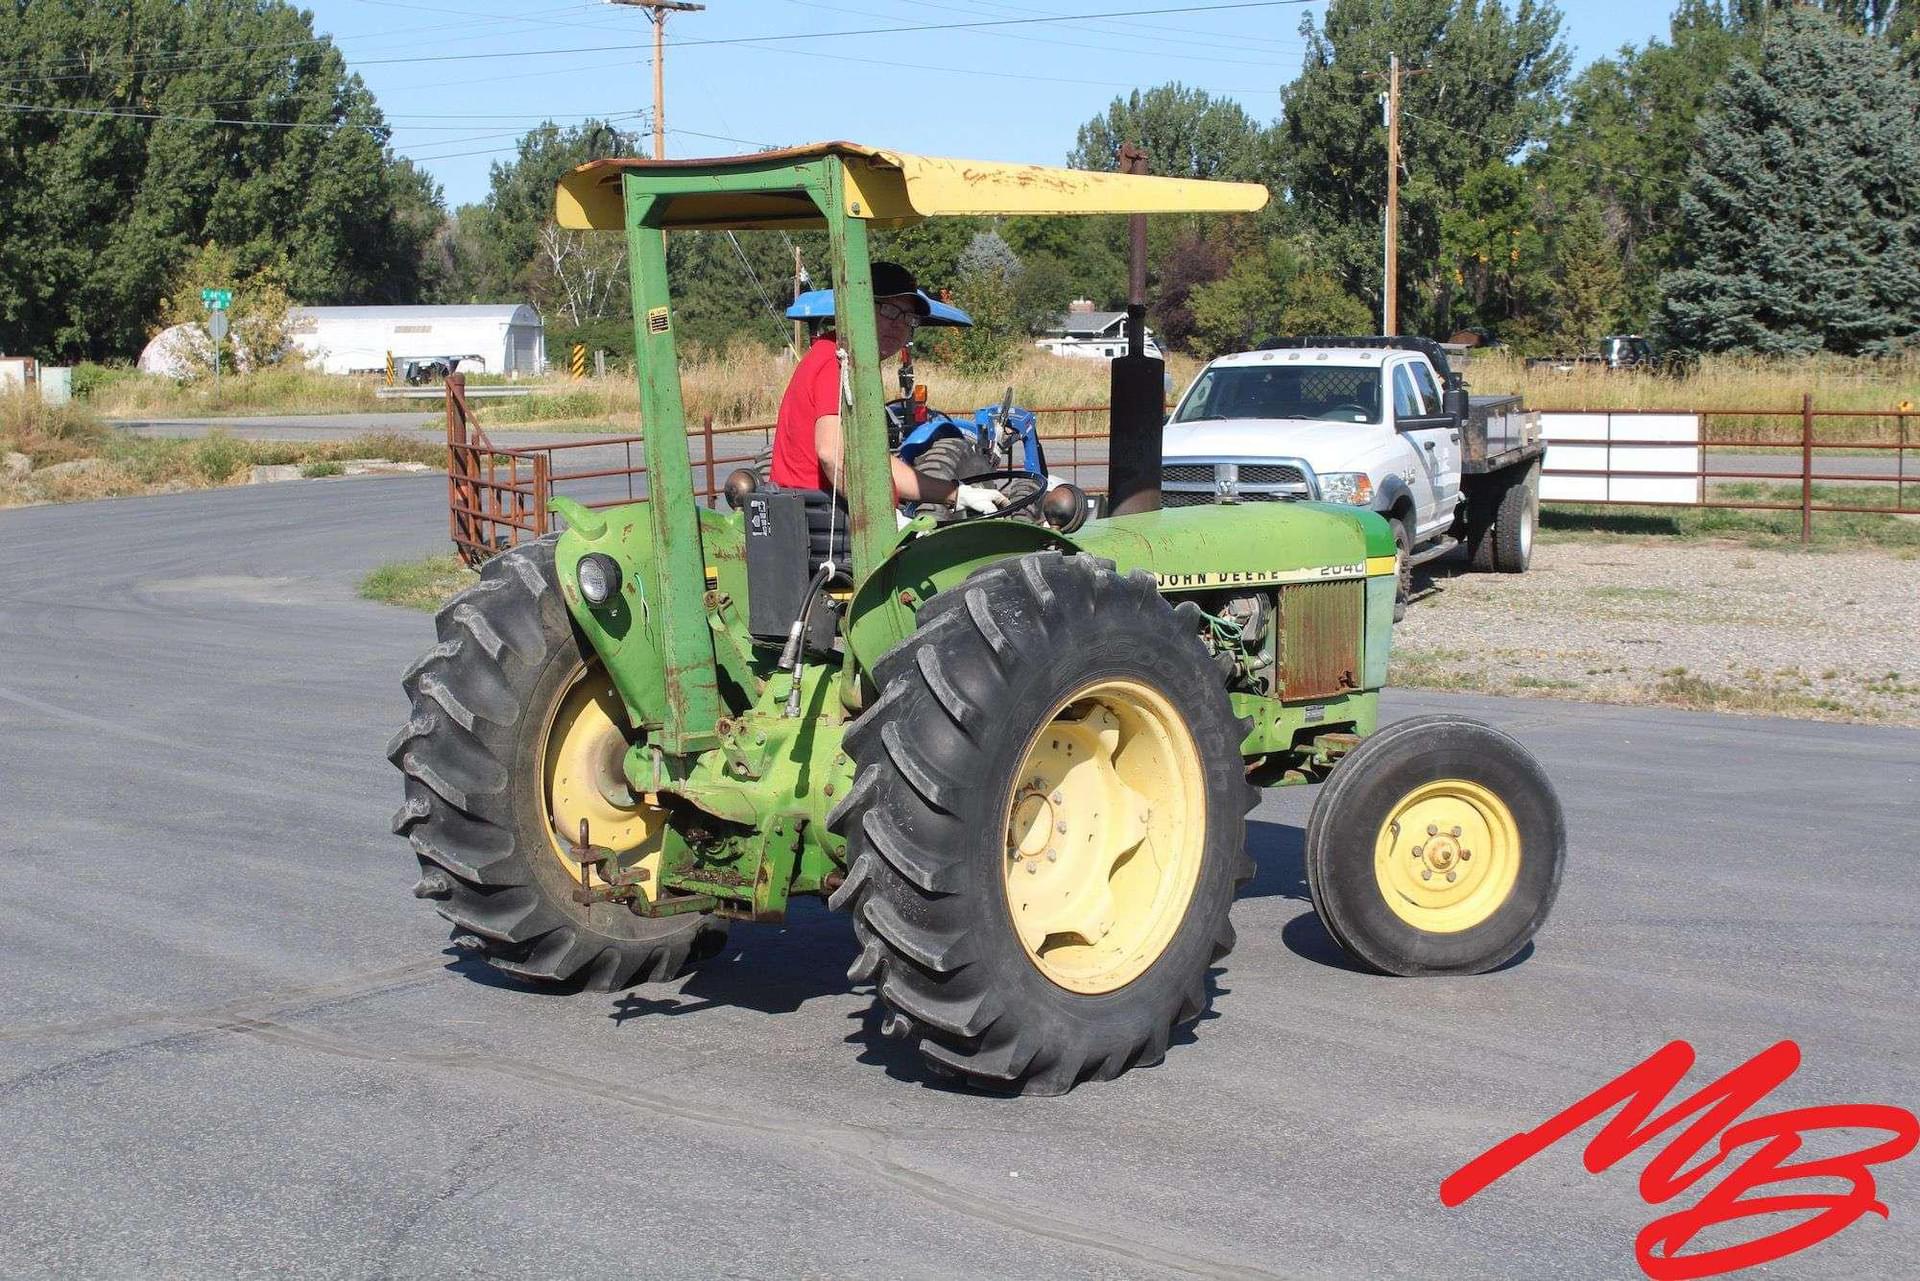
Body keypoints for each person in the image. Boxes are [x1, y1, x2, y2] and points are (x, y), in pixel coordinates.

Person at [769, 261, 1005, 514]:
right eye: (890, 311)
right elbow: (831, 454)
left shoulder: (855, 365)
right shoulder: (835, 360)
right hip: (820, 522)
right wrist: (879, 517)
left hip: (828, 515)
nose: (899, 324)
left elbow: (878, 466)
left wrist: (957, 494)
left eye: (908, 317)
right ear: (858, 307)